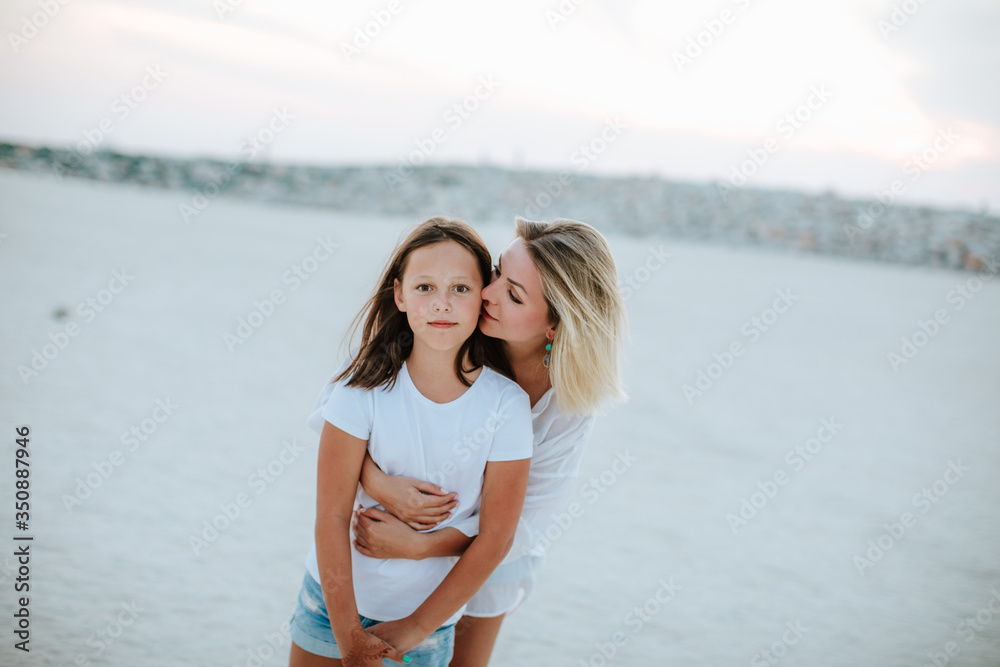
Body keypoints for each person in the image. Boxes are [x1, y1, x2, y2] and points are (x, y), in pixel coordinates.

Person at [353, 217, 628, 666]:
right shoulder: (451, 334)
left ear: (556, 325)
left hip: (490, 559)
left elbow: (525, 525)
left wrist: (425, 544)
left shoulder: (569, 403)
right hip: (391, 539)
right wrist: (380, 486)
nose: (487, 292)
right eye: (498, 272)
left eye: (513, 294)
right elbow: (348, 425)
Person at [288, 217, 535, 666]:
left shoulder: (507, 406)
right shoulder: (361, 385)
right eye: (425, 288)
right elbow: (331, 513)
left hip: (426, 621)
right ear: (399, 294)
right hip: (330, 607)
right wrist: (347, 637)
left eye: (460, 288)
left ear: (484, 296)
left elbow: (497, 537)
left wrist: (417, 626)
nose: (441, 304)